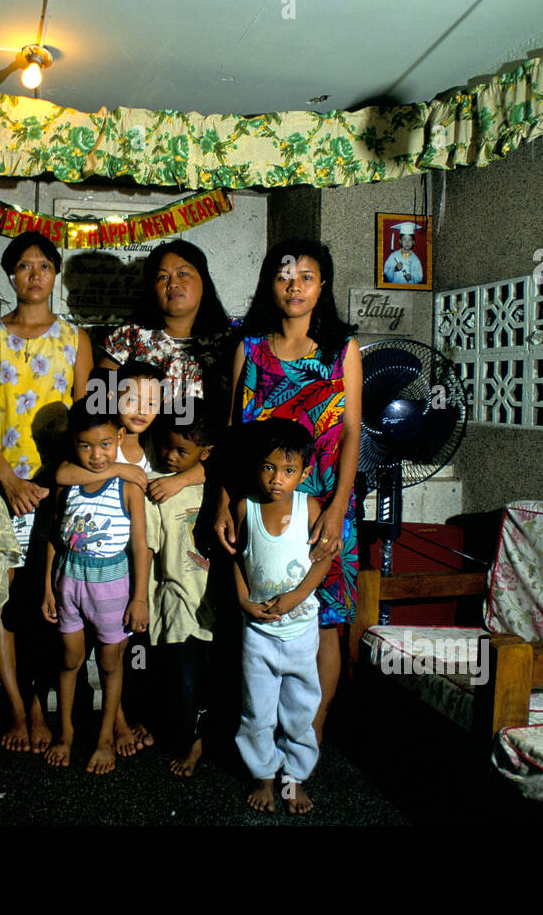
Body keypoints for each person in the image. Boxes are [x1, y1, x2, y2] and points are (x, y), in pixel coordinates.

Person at [215, 238, 361, 746]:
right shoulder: (249, 347)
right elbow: (233, 436)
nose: (294, 286)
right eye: (284, 276)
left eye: (306, 276)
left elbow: (349, 434)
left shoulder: (343, 350)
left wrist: (339, 507)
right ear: (269, 285)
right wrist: (221, 504)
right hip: (258, 507)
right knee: (259, 620)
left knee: (322, 625)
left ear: (322, 286)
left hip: (323, 508)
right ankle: (259, 742)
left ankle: (307, 742)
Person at [0, 230, 93, 754]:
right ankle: (15, 709)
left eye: (44, 265)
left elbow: (87, 419)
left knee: (49, 599)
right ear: (9, 274)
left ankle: (41, 706)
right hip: (2, 487)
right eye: (24, 266)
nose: (34, 274)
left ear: (55, 275)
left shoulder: (75, 338)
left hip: (57, 489)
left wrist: (54, 480)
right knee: (3, 600)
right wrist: (9, 480)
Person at [54, 358, 163, 754]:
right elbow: (63, 477)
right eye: (131, 398)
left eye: (151, 401)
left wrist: (140, 596)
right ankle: (95, 729)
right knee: (77, 656)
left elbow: (204, 461)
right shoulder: (99, 454)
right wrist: (114, 467)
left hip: (124, 574)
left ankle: (119, 724)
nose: (141, 408)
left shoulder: (155, 443)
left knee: (120, 658)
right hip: (75, 575)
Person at [41, 401, 149, 774]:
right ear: (73, 443)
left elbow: (139, 547)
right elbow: (55, 538)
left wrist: (139, 598)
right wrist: (47, 589)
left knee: (109, 662)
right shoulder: (66, 483)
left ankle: (104, 738)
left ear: (119, 437)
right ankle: (66, 735)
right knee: (69, 659)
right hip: (68, 581)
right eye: (86, 445)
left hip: (112, 586)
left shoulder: (128, 485)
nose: (97, 454)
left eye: (105, 444)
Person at [231, 419, 329, 814]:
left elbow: (322, 561)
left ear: (303, 473)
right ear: (257, 467)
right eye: (268, 467)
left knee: (300, 709)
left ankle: (294, 779)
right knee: (257, 708)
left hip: (301, 629)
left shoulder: (310, 507)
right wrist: (241, 600)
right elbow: (235, 561)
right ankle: (263, 777)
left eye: (289, 471)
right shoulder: (247, 508)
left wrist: (296, 597)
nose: (277, 479)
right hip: (258, 632)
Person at [101, 239, 232, 448]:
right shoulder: (130, 336)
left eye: (183, 273)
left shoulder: (229, 342)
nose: (172, 284)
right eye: (162, 277)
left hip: (203, 460)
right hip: (135, 455)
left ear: (203, 280)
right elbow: (98, 396)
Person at [145, 402, 217, 776]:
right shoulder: (157, 489)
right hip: (176, 600)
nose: (169, 456)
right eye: (166, 447)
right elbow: (150, 548)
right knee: (181, 677)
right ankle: (190, 740)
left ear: (205, 454)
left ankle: (206, 738)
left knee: (213, 677)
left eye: (181, 451)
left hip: (215, 600)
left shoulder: (220, 484)